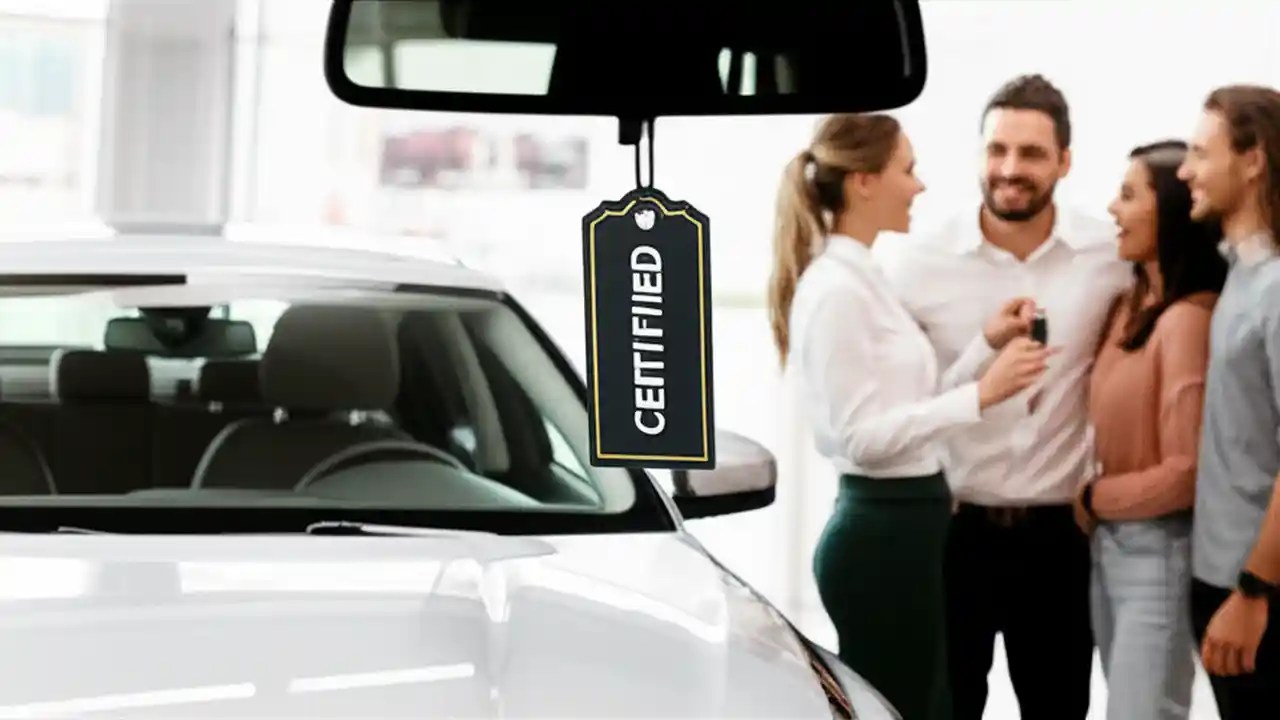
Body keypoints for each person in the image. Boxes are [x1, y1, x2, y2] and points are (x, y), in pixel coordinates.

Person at [770, 112, 1053, 720]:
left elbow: (910, 409)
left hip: (907, 536)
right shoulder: (836, 290)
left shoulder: (866, 277)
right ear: (863, 182)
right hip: (880, 544)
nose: (919, 186)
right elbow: (858, 439)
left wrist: (985, 346)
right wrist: (981, 396)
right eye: (909, 169)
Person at [871, 74, 1133, 720]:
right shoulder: (918, 262)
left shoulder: (1109, 255)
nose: (1010, 169)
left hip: (1060, 541)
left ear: (1065, 162)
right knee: (947, 707)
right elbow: (898, 407)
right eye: (997, 150)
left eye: (1032, 153)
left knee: (1059, 708)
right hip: (951, 533)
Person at [1075, 139, 1227, 720]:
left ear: (1168, 209)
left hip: (1157, 551)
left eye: (1128, 195)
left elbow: (1184, 474)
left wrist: (1094, 496)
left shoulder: (1186, 321)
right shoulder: (1130, 305)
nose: (1113, 209)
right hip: (1111, 546)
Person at [1176, 84, 1280, 719]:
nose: (1186, 169)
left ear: (1253, 159)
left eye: (1198, 151)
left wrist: (1253, 591)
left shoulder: (1276, 289)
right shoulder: (1240, 274)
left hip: (1257, 591)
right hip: (1219, 573)